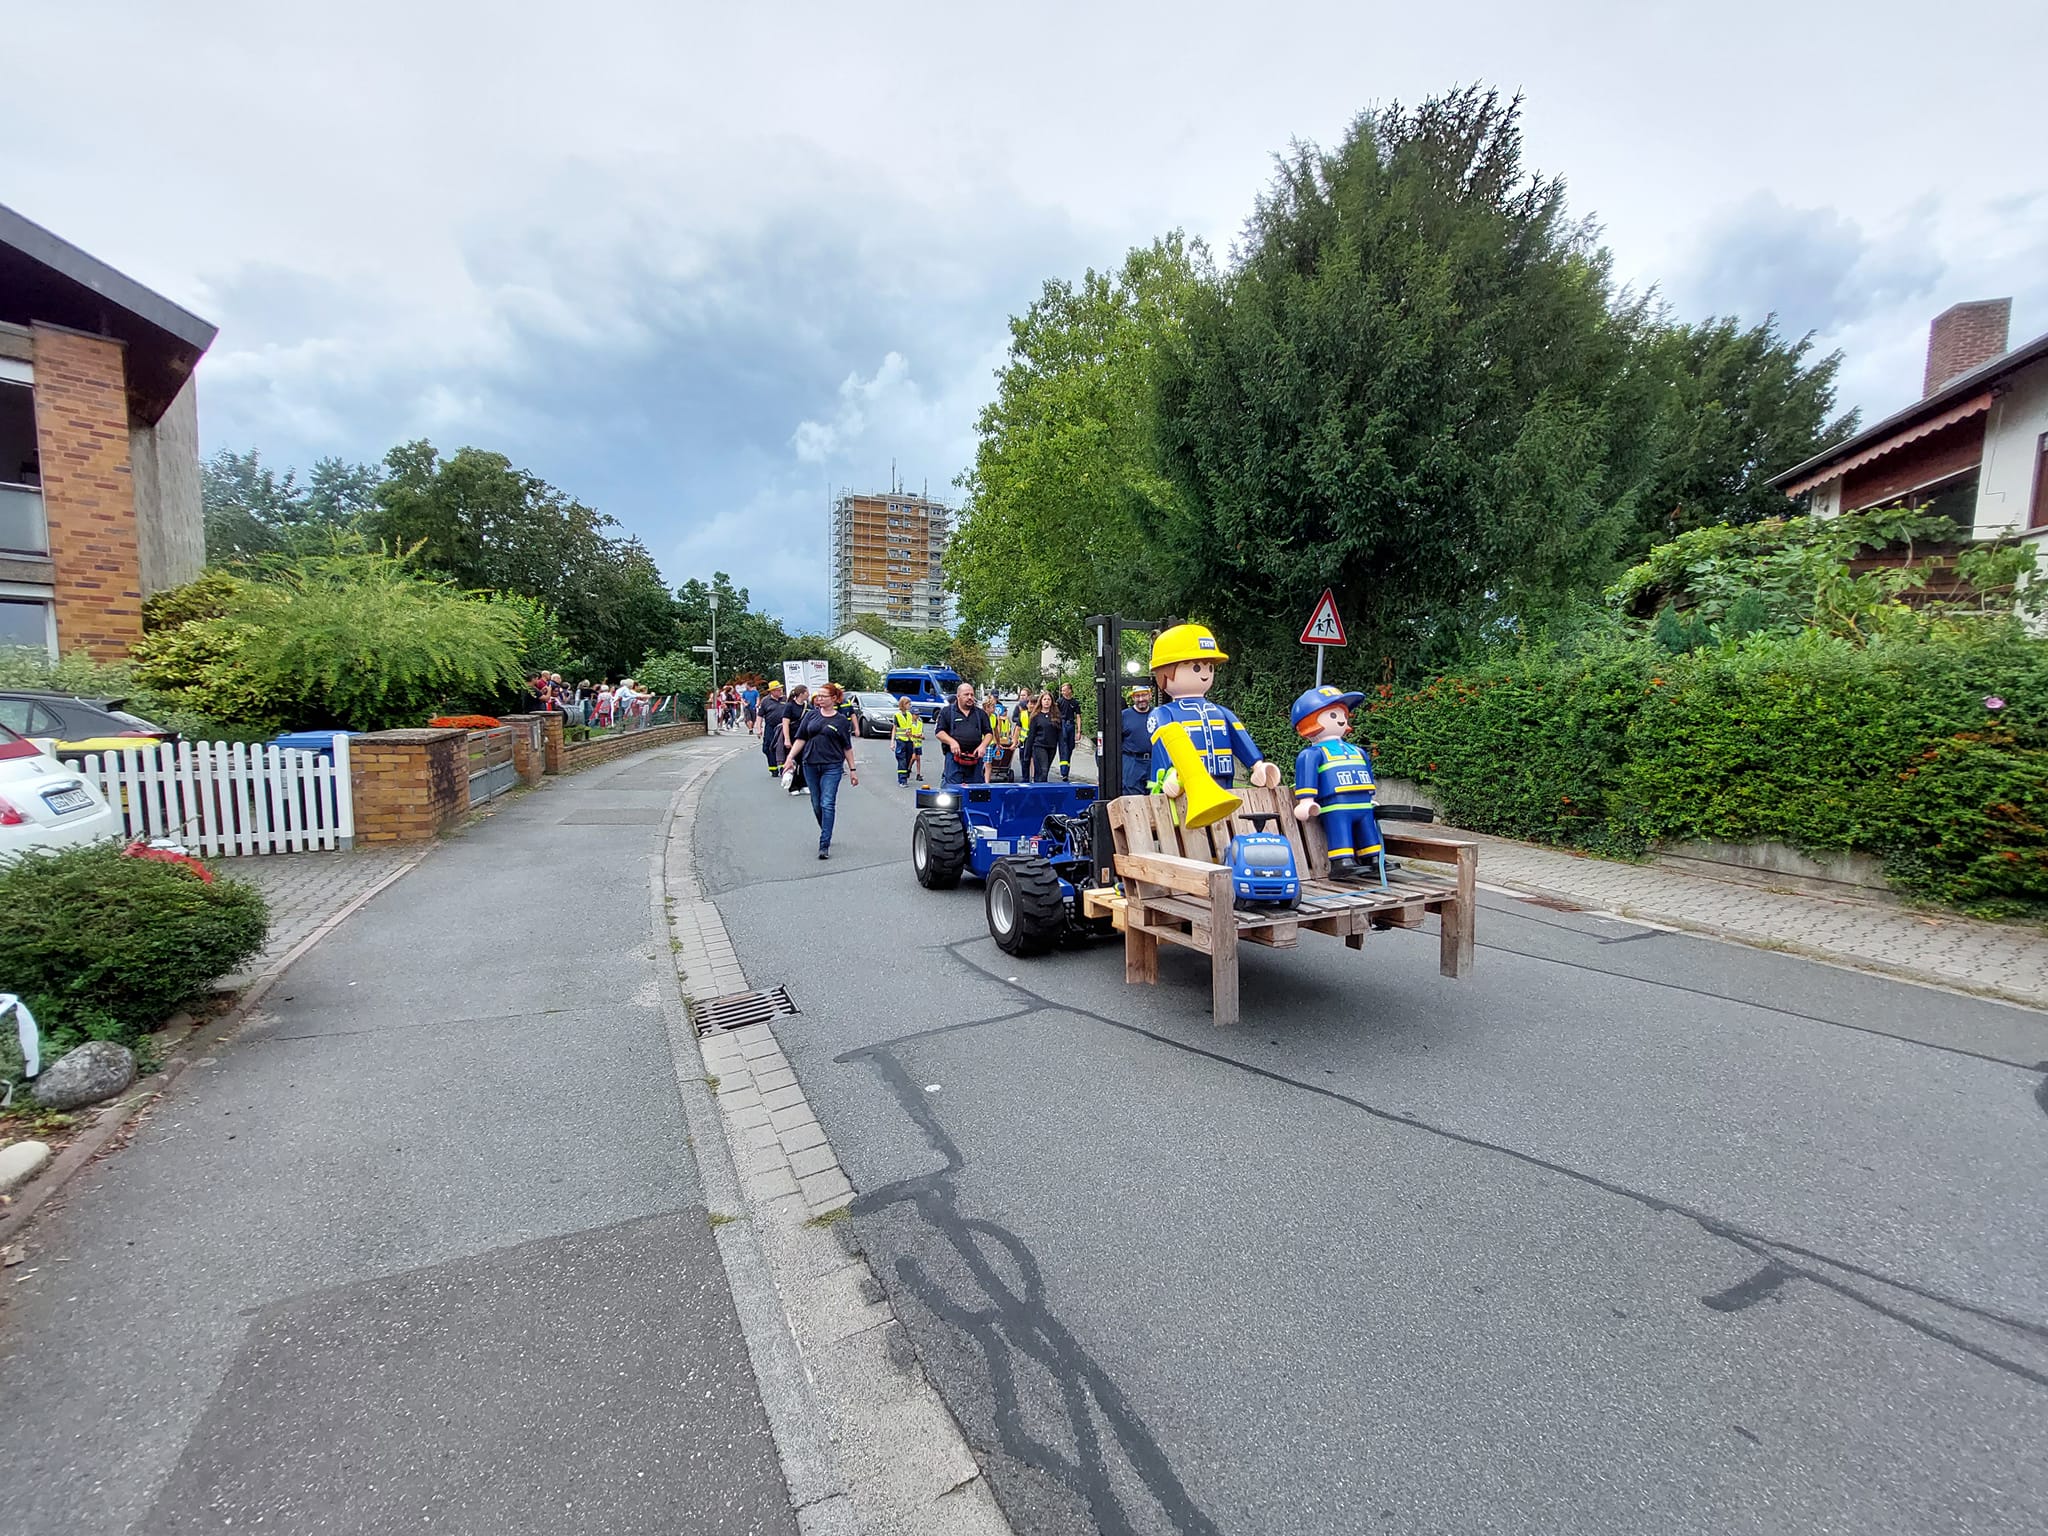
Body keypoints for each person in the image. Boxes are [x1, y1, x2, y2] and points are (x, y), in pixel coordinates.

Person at [1145, 624, 1282, 800]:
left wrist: (1257, 764)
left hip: (1223, 780)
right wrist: (1169, 774)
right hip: (1182, 785)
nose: (1205, 673)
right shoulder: (1163, 714)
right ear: (1164, 672)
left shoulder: (1220, 712)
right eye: (1196, 668)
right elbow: (1163, 745)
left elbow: (1239, 736)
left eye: (1209, 667)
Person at [785, 684, 858, 858]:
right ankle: (826, 828)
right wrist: (790, 758)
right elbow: (801, 738)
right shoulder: (811, 715)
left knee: (827, 803)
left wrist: (852, 770)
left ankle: (824, 843)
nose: (819, 698)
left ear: (834, 698)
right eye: (818, 695)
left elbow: (847, 747)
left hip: (832, 766)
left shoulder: (841, 720)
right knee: (817, 804)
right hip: (810, 764)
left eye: (824, 696)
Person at [933, 681, 991, 788]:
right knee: (952, 791)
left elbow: (988, 733)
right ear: (958, 696)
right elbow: (939, 732)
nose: (970, 697)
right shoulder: (947, 712)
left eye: (972, 695)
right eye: (966, 694)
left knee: (975, 791)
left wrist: (983, 746)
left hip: (975, 759)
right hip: (954, 760)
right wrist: (952, 742)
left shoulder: (980, 714)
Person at [1118, 683, 1154, 797]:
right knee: (1133, 798)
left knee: (1156, 797)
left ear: (1150, 695)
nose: (1141, 699)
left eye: (1144, 695)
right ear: (1133, 698)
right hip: (1132, 762)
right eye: (1137, 696)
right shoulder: (1124, 716)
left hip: (1153, 762)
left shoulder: (1157, 714)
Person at [1024, 688, 1062, 784]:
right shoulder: (1036, 716)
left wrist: (1062, 748)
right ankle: (1040, 787)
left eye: (1049, 699)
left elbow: (1060, 733)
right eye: (1044, 699)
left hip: (1051, 747)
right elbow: (1031, 735)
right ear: (1041, 701)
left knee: (1044, 771)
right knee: (1043, 770)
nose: (1046, 701)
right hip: (1039, 746)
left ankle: (1039, 785)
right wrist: (1027, 753)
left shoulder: (1056, 716)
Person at [780, 685, 812, 795]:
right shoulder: (790, 706)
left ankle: (804, 784)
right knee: (792, 761)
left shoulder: (808, 706)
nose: (808, 694)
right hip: (793, 736)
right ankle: (793, 786)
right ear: (801, 694)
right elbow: (785, 723)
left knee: (804, 761)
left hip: (805, 737)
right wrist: (787, 739)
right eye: (807, 692)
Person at [891, 695, 925, 784]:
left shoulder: (910, 715)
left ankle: (905, 774)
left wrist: (912, 737)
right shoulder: (897, 715)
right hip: (901, 740)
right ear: (903, 704)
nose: (910, 706)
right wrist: (892, 742)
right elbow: (894, 729)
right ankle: (902, 780)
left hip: (909, 740)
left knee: (908, 758)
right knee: (901, 759)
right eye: (909, 704)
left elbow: (910, 727)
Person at [759, 682, 788, 778]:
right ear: (772, 691)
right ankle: (773, 768)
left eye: (781, 689)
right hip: (770, 727)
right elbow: (760, 716)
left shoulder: (785, 699)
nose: (780, 691)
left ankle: (783, 767)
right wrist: (759, 728)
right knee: (768, 747)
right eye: (778, 690)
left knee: (783, 747)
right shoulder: (765, 701)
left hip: (783, 727)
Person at [1055, 681, 1081, 782]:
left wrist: (1079, 731)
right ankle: (1064, 772)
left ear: (1069, 691)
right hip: (1063, 724)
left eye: (1064, 690)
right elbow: (1055, 714)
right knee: (1064, 748)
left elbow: (1078, 716)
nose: (1062, 692)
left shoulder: (1075, 703)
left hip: (1071, 725)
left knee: (1070, 747)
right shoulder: (1059, 702)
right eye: (1062, 691)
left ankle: (1066, 771)